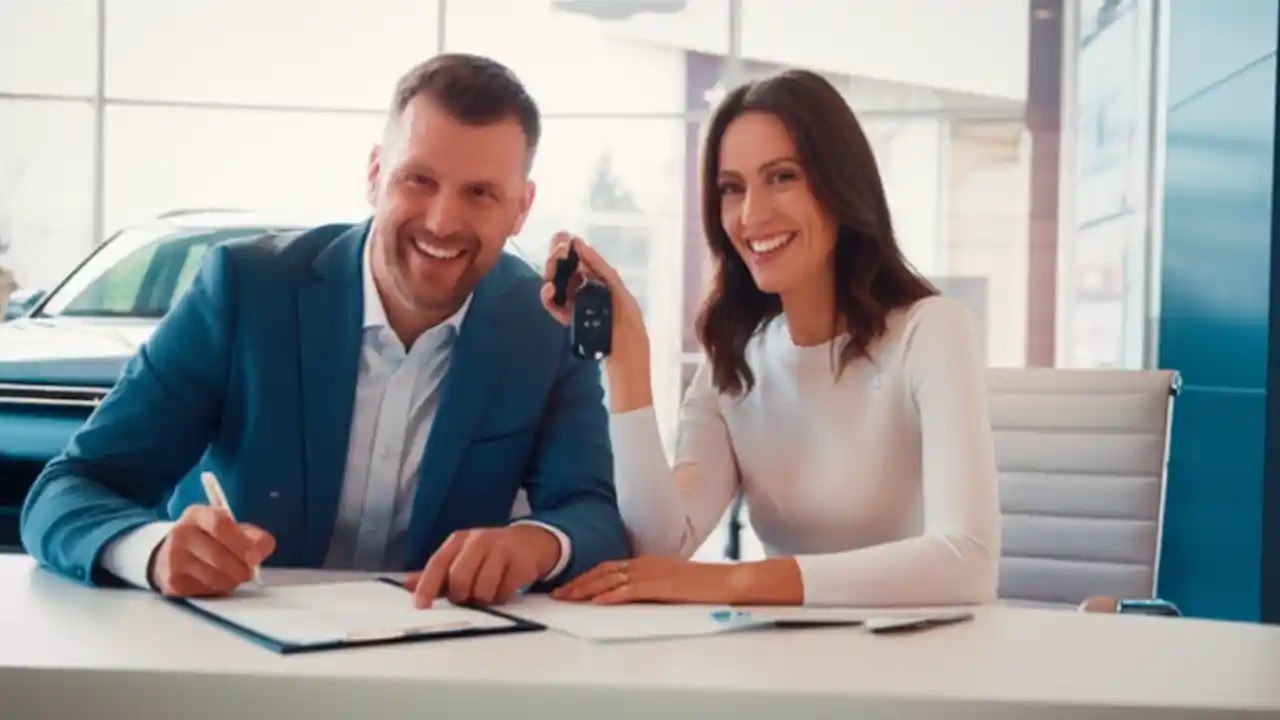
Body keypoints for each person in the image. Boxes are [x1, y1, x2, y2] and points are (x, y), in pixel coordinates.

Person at [20, 53, 629, 608]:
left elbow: (592, 514)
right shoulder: (243, 291)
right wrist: (151, 551)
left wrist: (533, 542)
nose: (443, 222)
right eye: (419, 180)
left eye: (479, 194)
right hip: (235, 659)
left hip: (439, 660)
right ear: (374, 173)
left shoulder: (544, 327)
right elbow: (68, 491)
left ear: (521, 208)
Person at [541, 69, 1001, 607]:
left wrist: (735, 580)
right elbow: (659, 547)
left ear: (839, 186)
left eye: (782, 177)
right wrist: (626, 363)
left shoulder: (932, 331)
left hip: (924, 663)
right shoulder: (734, 361)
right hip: (787, 662)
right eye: (732, 189)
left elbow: (966, 562)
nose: (752, 215)